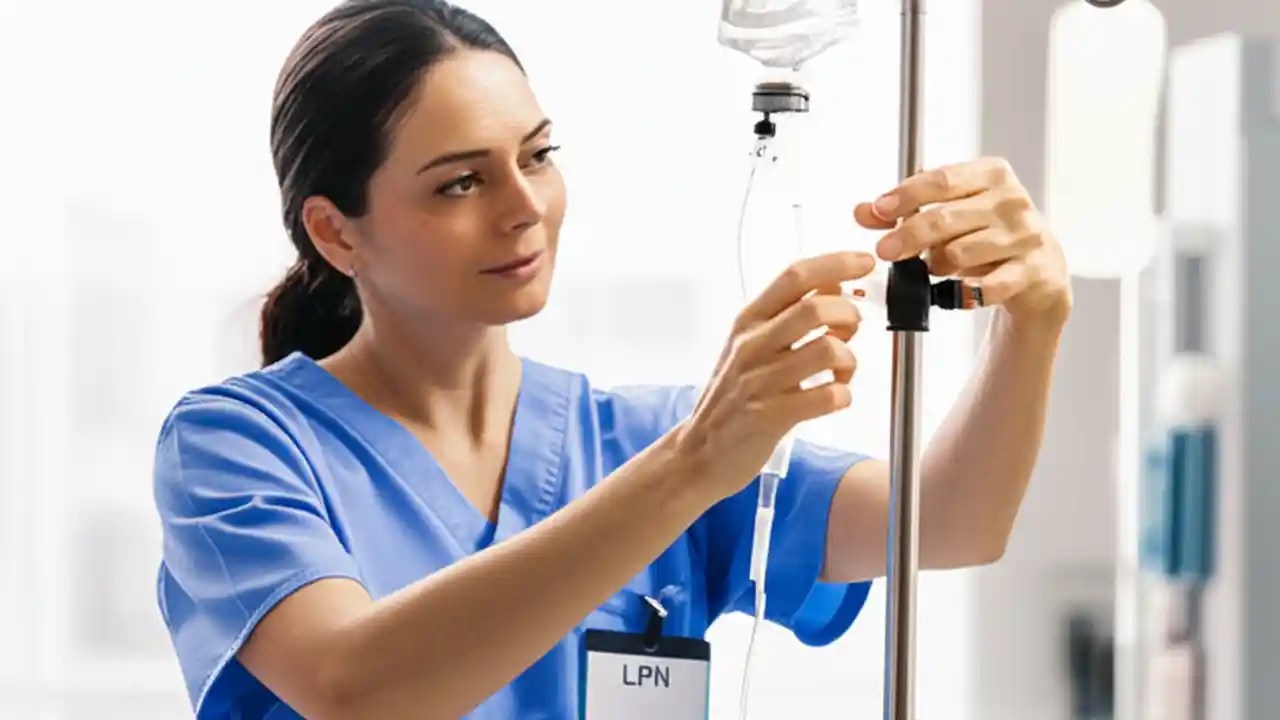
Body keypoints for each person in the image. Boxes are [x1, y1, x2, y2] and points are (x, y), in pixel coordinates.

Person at [152, 1, 1072, 718]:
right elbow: (358, 689)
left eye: (538, 155)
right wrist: (693, 466)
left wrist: (1033, 318)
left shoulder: (641, 437)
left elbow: (953, 521)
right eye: (461, 182)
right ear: (334, 230)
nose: (525, 206)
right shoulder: (237, 447)